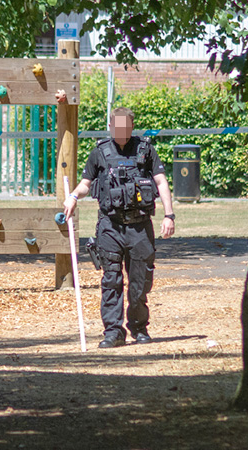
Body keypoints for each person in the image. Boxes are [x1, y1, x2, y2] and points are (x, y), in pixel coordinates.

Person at [63, 107, 175, 348]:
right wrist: (73, 196)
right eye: (117, 126)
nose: (121, 131)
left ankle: (138, 327)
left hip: (140, 227)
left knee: (139, 282)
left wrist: (169, 215)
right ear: (111, 126)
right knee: (111, 280)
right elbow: (86, 184)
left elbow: (161, 182)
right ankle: (113, 331)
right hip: (110, 227)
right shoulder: (100, 151)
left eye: (126, 127)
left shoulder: (145, 150)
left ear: (131, 127)